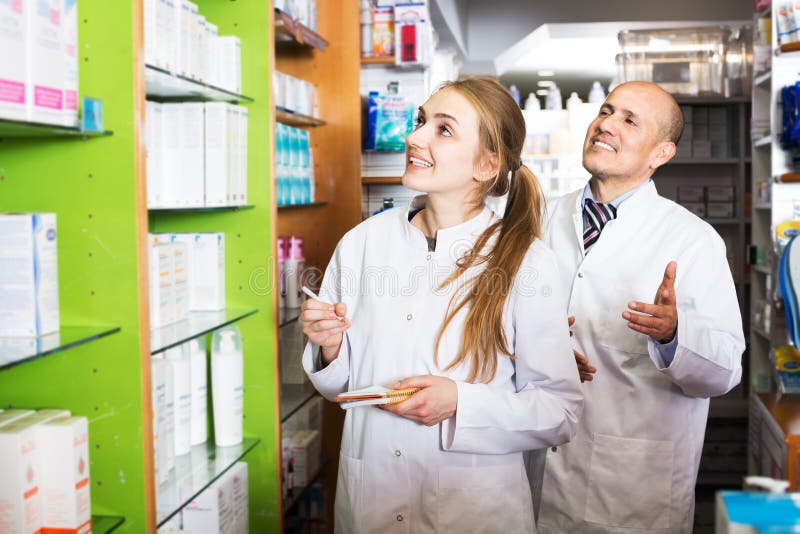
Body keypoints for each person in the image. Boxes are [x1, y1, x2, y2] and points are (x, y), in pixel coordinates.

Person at [299, 77, 583, 533]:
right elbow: (343, 389)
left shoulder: (527, 263)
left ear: (487, 164)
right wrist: (330, 347)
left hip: (476, 512)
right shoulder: (363, 243)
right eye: (420, 121)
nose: (415, 137)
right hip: (372, 504)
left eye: (443, 129)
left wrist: (460, 402)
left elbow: (560, 411)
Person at [536, 81, 745, 533]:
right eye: (606, 111)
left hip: (631, 488)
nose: (606, 125)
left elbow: (726, 369)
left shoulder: (692, 241)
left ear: (661, 154)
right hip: (533, 470)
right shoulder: (537, 220)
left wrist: (674, 335)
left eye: (629, 120)